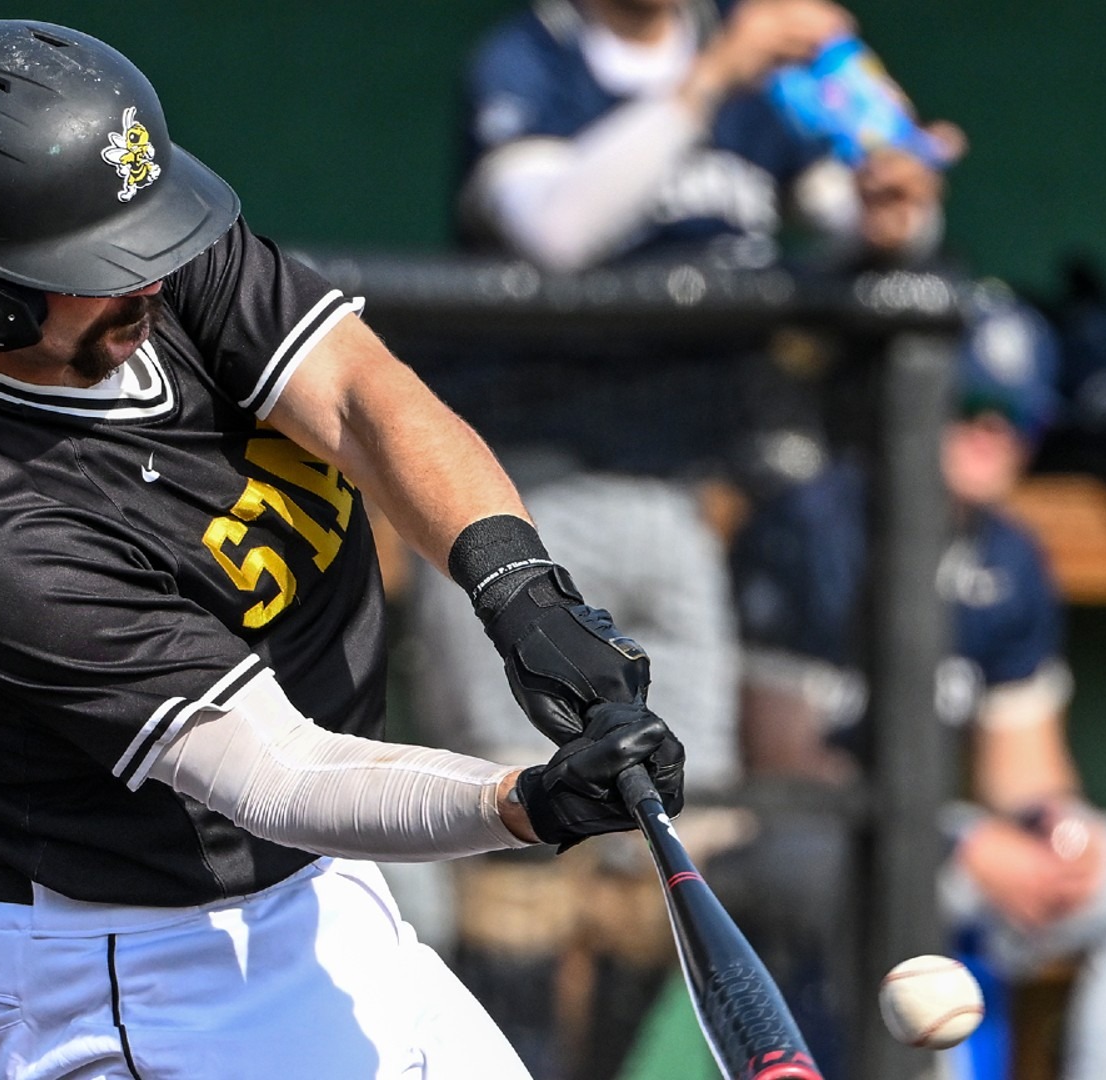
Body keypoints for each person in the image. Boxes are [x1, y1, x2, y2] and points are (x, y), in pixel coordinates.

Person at [0, 20, 689, 1080]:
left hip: (319, 893)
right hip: (147, 971)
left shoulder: (135, 243)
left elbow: (357, 394)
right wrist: (528, 803)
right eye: (101, 266)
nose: (152, 277)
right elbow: (279, 772)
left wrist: (523, 593)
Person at [405, 1, 953, 1071]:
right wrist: (712, 78)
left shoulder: (760, 77)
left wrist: (895, 202)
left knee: (678, 828)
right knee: (523, 834)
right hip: (524, 490)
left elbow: (863, 221)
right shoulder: (537, 57)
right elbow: (554, 229)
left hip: (683, 498)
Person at [731, 289, 1106, 1080]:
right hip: (820, 842)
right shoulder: (814, 529)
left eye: (1019, 417)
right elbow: (786, 769)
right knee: (874, 870)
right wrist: (959, 842)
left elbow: (1022, 770)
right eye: (971, 408)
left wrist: (1058, 829)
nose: (993, 434)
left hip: (949, 849)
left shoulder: (1010, 555)